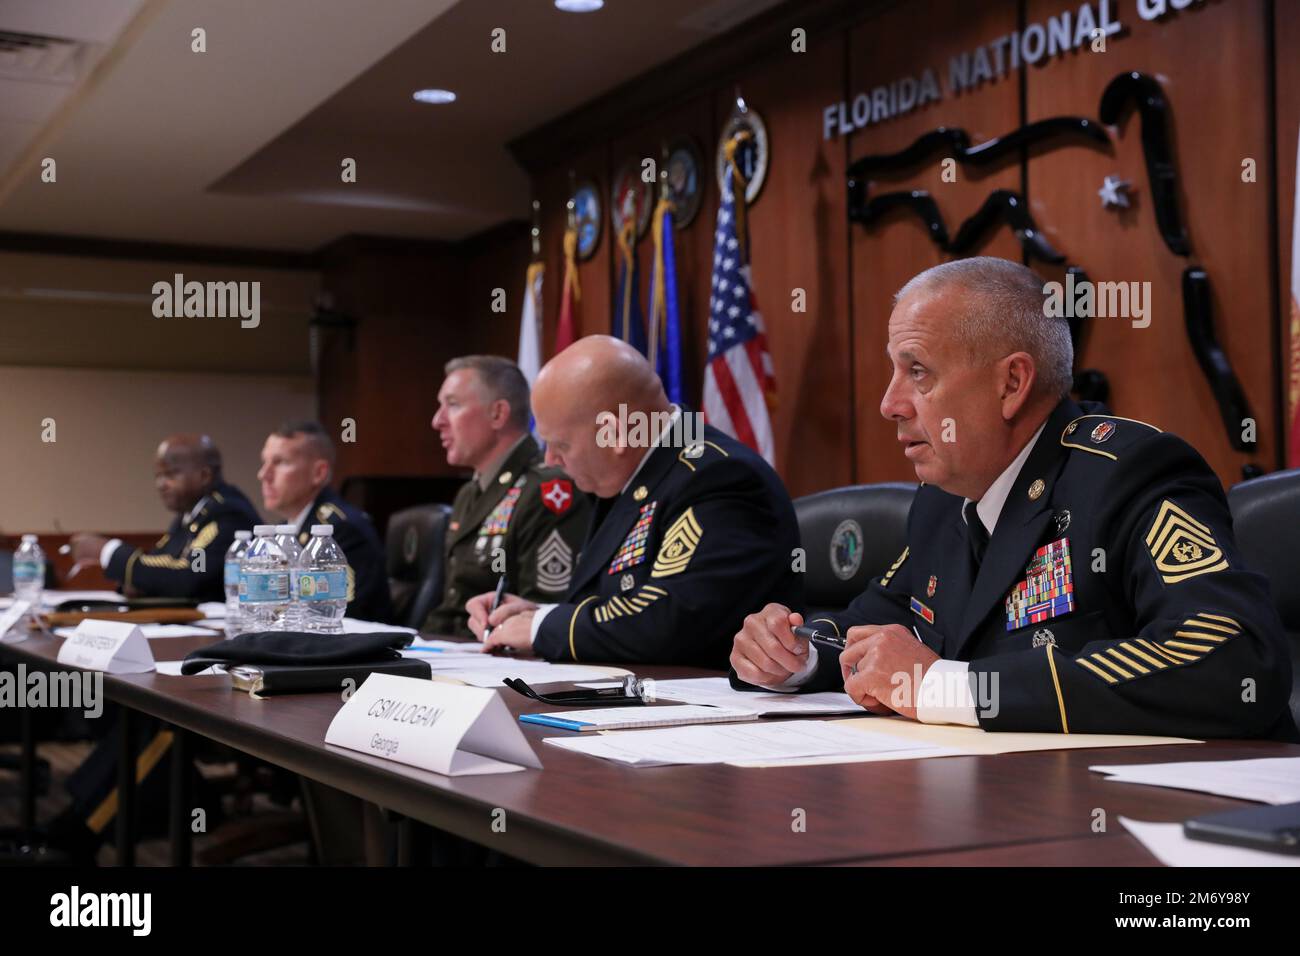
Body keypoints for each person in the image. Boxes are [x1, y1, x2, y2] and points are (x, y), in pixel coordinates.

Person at [731, 257, 1295, 740]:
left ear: (1011, 384)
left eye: (919, 372)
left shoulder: (1128, 476)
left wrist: (948, 686)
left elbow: (1232, 657)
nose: (890, 404)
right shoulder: (944, 501)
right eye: (893, 372)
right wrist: (796, 654)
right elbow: (876, 630)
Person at [468, 335, 801, 668]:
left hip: (709, 705)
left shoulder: (717, 476)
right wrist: (534, 615)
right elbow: (613, 602)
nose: (550, 460)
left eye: (561, 446)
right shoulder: (634, 475)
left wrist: (544, 627)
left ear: (613, 434)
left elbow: (670, 619)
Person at [425, 356, 591, 636]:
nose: (437, 421)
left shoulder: (548, 489)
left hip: (508, 664)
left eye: (452, 405)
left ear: (498, 414)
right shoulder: (469, 493)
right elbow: (453, 603)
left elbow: (543, 610)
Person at [70, 434, 259, 601]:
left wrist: (108, 552)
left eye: (170, 474)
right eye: (158, 476)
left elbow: (192, 574)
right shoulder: (188, 517)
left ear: (204, 475)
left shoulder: (225, 513)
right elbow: (160, 562)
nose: (161, 484)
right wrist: (138, 582)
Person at [258, 421, 392, 623]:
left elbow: (337, 614)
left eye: (280, 462)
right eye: (264, 462)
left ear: (318, 473)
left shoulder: (341, 530)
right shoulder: (285, 529)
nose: (263, 474)